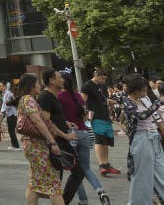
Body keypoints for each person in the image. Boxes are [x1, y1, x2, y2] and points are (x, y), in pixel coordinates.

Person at [10, 73, 64, 205]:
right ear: (31, 85)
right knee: (53, 182)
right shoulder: (28, 99)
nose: (40, 86)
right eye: (37, 83)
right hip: (36, 146)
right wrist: (52, 142)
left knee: (35, 183)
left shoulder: (25, 99)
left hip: (31, 145)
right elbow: (38, 121)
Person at [57, 73, 111, 205]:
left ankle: (83, 199)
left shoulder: (58, 97)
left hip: (70, 134)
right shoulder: (77, 96)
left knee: (74, 171)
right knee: (86, 168)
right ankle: (101, 192)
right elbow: (84, 117)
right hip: (84, 133)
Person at [123, 73, 164, 204]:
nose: (146, 91)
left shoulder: (144, 99)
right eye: (143, 88)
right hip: (141, 140)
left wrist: (162, 129)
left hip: (154, 138)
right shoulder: (127, 101)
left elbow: (154, 116)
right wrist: (156, 104)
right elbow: (141, 116)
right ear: (135, 89)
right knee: (142, 178)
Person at [36, 70, 85, 205]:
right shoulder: (45, 97)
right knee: (74, 173)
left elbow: (54, 118)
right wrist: (65, 135)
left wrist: (65, 123)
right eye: (59, 78)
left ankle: (62, 201)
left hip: (61, 140)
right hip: (56, 142)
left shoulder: (54, 96)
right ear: (52, 81)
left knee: (61, 177)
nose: (63, 80)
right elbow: (46, 122)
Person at [81, 69, 120, 176]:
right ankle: (101, 165)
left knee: (106, 140)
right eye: (102, 78)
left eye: (105, 79)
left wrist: (109, 101)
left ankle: (106, 164)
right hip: (95, 116)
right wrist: (84, 117)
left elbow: (102, 98)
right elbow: (82, 102)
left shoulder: (102, 86)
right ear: (96, 75)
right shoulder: (87, 85)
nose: (104, 80)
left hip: (105, 115)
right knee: (99, 139)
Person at [1, 82, 20, 150]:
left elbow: (7, 104)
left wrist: (3, 110)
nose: (1, 87)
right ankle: (14, 145)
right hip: (13, 113)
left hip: (10, 114)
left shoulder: (8, 93)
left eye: (2, 86)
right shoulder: (12, 94)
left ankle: (15, 145)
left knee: (11, 130)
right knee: (12, 130)